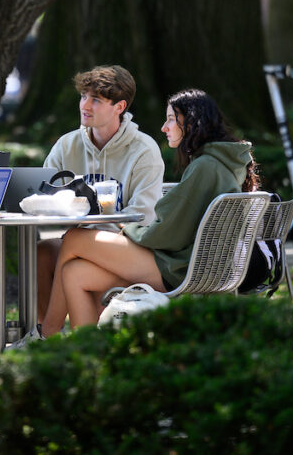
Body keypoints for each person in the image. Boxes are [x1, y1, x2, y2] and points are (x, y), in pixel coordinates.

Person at [15, 89, 260, 345]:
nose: (164, 128)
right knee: (74, 272)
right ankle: (87, 353)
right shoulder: (219, 163)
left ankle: (44, 336)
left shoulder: (205, 167)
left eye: (170, 120)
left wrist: (128, 230)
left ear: (190, 122)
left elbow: (168, 232)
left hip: (177, 267)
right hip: (187, 263)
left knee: (75, 237)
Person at [36, 65, 165, 320]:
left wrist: (92, 232)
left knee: (74, 242)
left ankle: (45, 333)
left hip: (130, 247)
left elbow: (143, 216)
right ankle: (46, 335)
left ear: (119, 107)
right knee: (42, 252)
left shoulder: (143, 149)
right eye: (84, 96)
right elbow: (44, 197)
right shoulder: (67, 145)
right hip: (76, 243)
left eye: (96, 100)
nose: (86, 105)